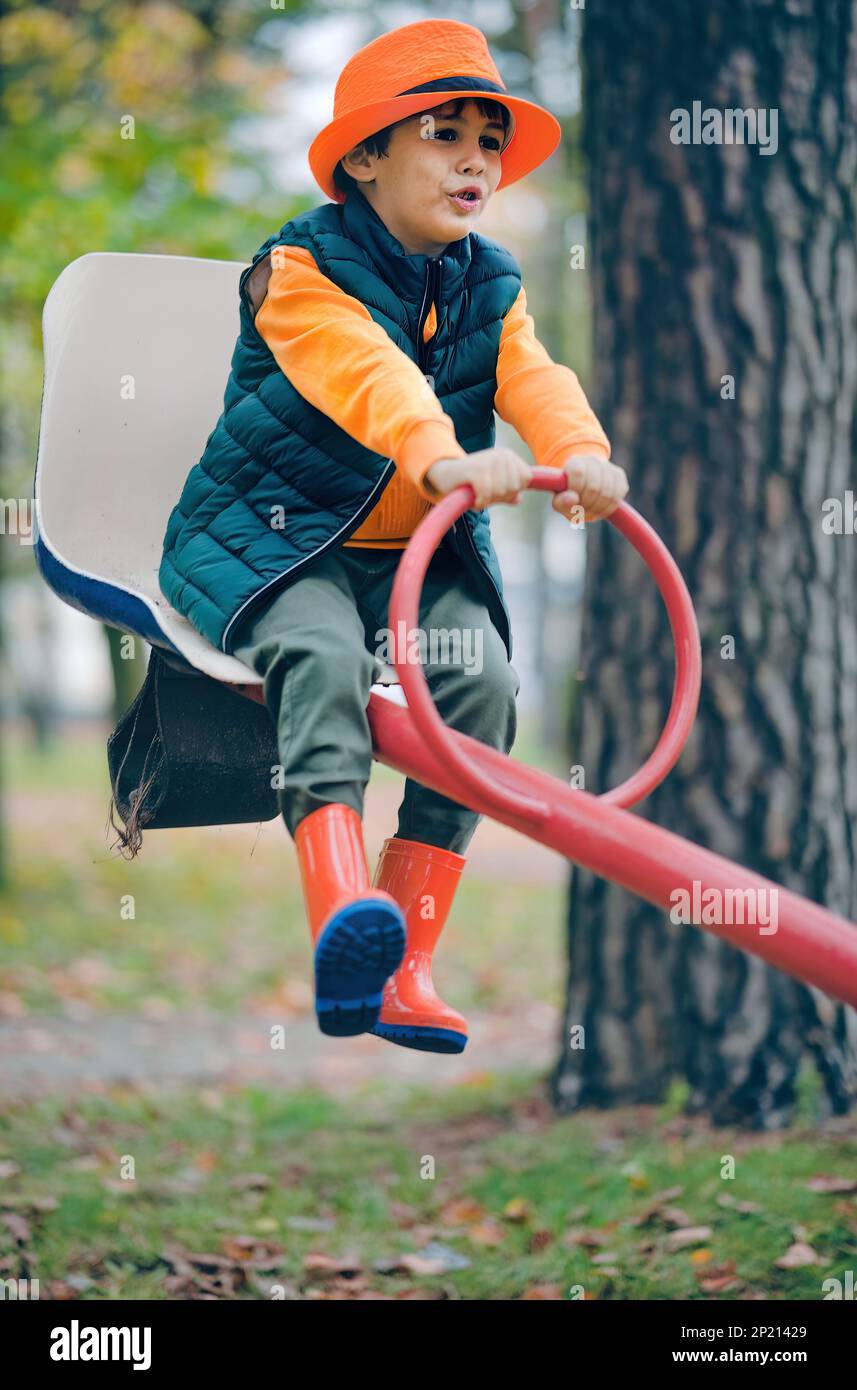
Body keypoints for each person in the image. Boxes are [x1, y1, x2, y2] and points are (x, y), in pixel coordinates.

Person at [159, 19, 628, 1054]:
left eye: (487, 139)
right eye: (442, 132)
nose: (474, 158)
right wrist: (442, 453)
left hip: (416, 554)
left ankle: (405, 961)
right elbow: (362, 375)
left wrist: (579, 453)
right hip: (277, 538)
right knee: (319, 657)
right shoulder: (297, 267)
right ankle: (339, 914)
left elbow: (533, 379)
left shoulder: (489, 280)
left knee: (480, 686)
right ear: (365, 158)